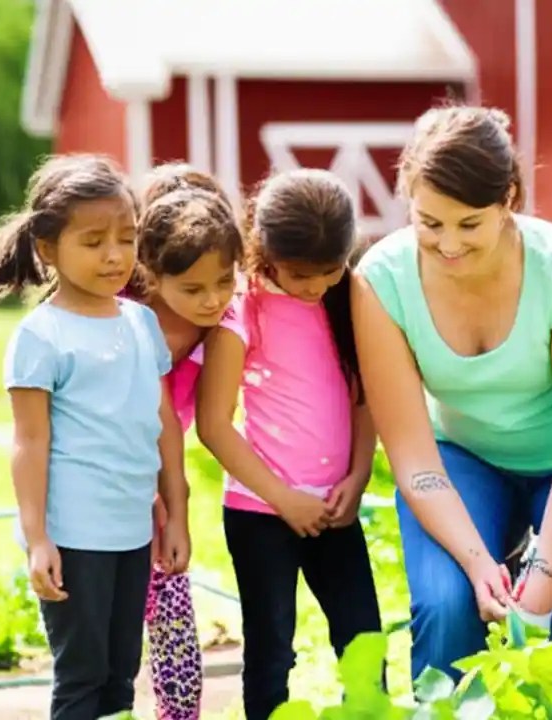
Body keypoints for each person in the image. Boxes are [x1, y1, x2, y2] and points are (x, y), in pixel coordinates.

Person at [349, 104, 552, 718]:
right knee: (445, 606)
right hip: (465, 454)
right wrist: (476, 562)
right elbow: (411, 455)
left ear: (509, 200)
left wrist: (539, 585)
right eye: (428, 222)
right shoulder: (380, 280)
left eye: (469, 224)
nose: (448, 244)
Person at [0, 154, 190, 720]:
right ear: (49, 249)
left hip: (132, 532)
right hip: (73, 536)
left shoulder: (141, 323)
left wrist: (176, 513)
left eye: (126, 238)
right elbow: (29, 443)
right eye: (94, 240)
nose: (114, 255)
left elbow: (165, 423)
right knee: (81, 678)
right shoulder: (40, 336)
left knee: (122, 676)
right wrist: (38, 540)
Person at [196, 169, 382, 720]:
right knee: (273, 651)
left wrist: (360, 473)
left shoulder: (346, 298)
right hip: (261, 513)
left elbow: (362, 393)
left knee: (364, 641)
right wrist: (283, 498)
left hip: (335, 507)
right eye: (301, 275)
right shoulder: (243, 309)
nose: (315, 286)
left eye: (330, 270)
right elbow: (213, 423)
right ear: (264, 248)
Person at [130, 163, 242, 720]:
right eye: (194, 288)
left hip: (159, 482)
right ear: (151, 274)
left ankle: (178, 714)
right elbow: (159, 421)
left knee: (173, 630)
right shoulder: (131, 319)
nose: (212, 299)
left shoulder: (219, 319)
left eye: (224, 282)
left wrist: (173, 511)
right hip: (115, 482)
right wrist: (172, 507)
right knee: (108, 645)